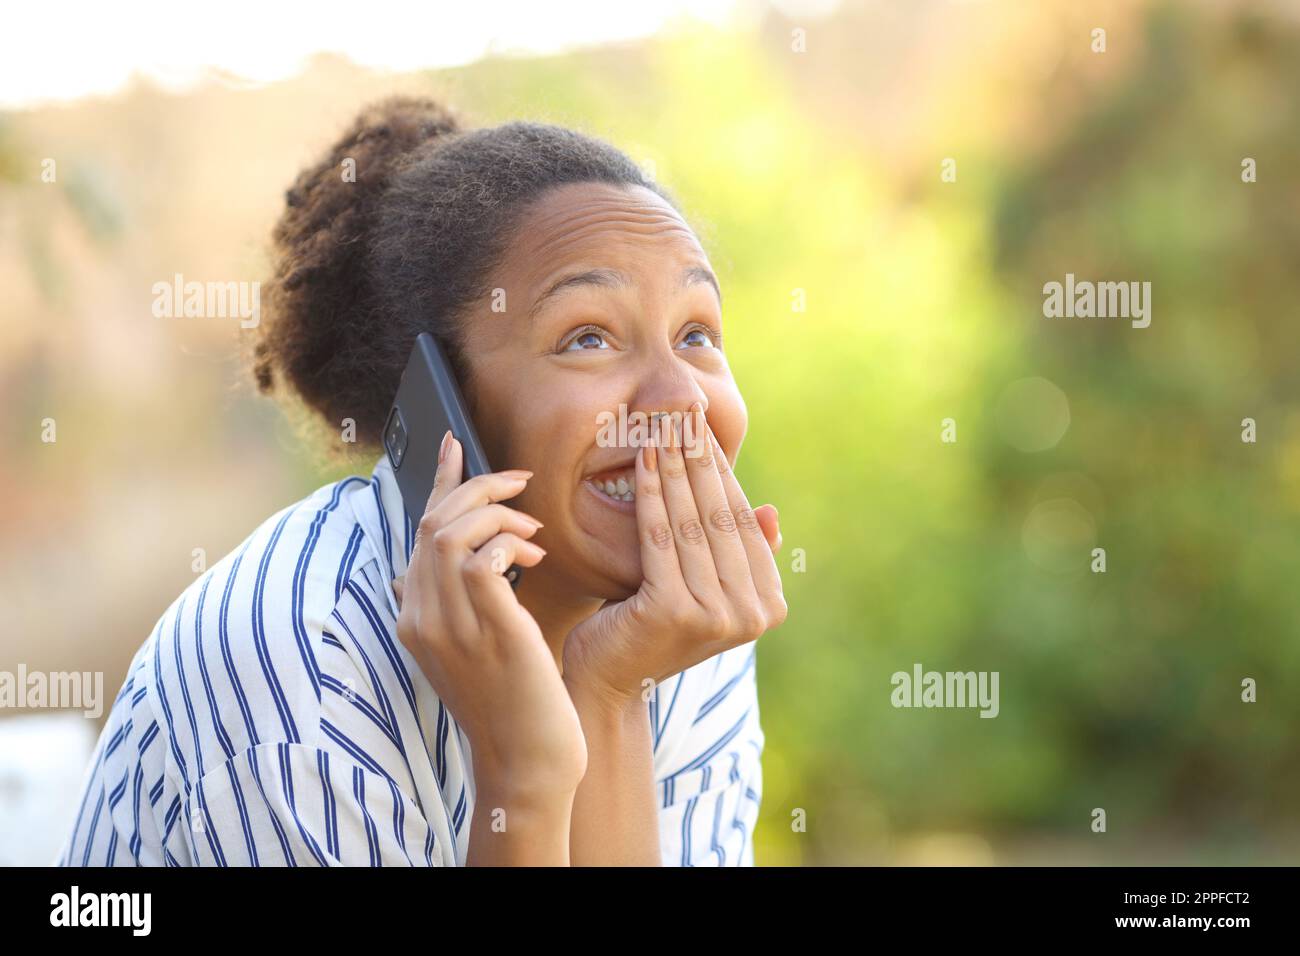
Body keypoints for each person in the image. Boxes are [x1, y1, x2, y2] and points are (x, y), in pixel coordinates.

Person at [58, 96, 787, 866]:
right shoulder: (300, 660)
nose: (680, 400)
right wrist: (527, 776)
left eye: (696, 333)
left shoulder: (685, 630)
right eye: (587, 337)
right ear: (442, 404)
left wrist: (607, 692)